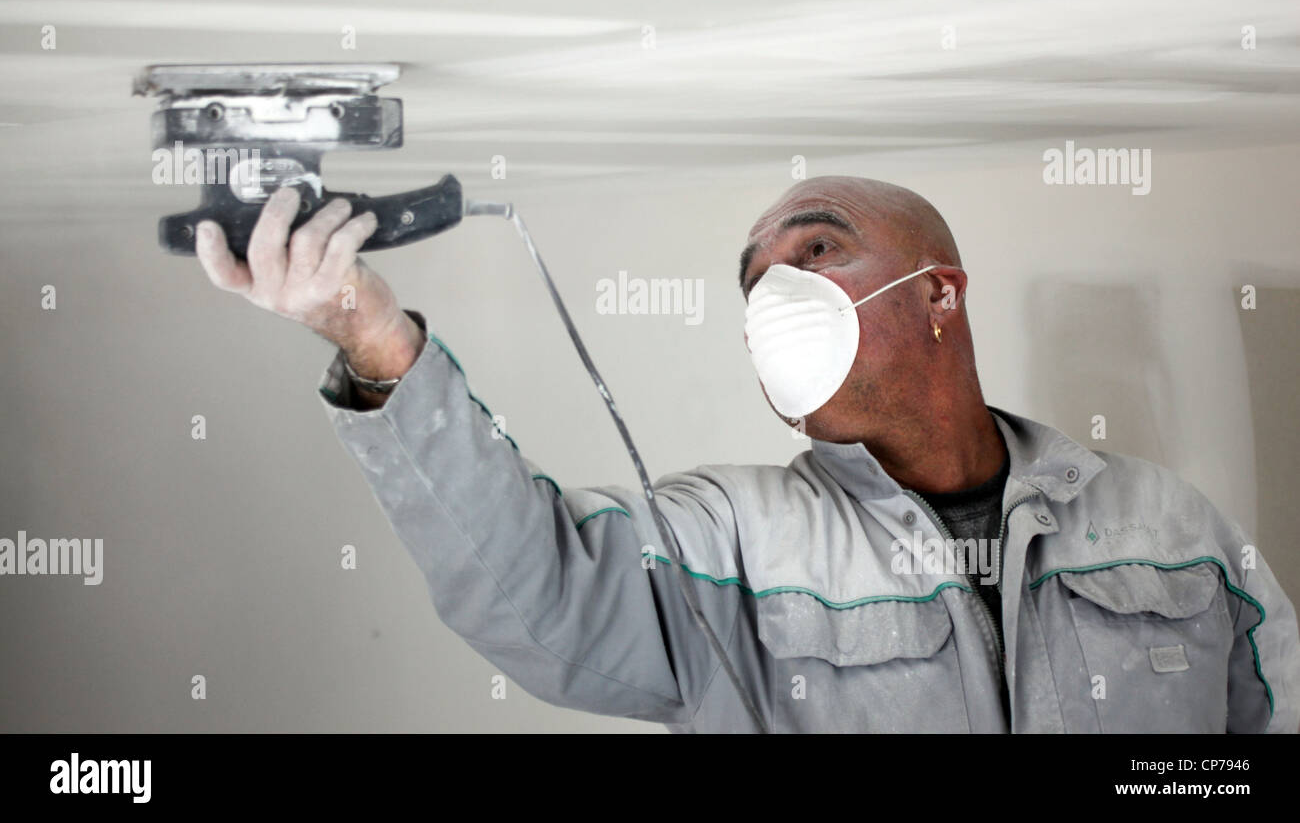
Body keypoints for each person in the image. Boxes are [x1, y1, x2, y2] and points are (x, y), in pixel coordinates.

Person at [195, 175, 1299, 733]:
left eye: (817, 248)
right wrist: (374, 340)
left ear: (938, 297)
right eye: (755, 277)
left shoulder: (1168, 528)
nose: (779, 291)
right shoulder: (731, 533)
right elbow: (538, 600)